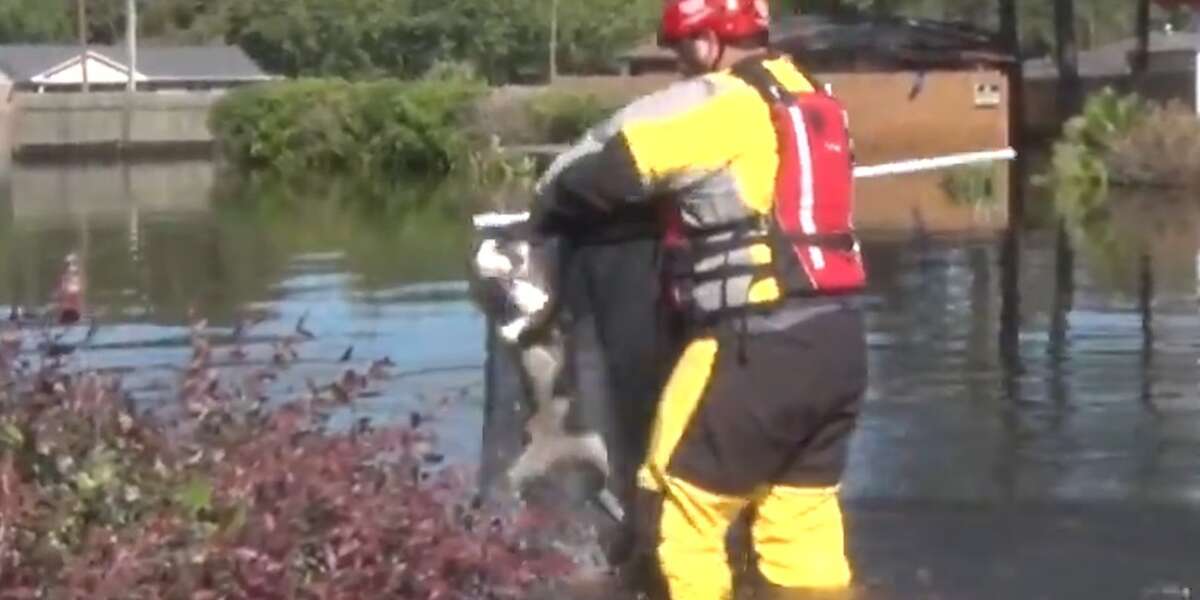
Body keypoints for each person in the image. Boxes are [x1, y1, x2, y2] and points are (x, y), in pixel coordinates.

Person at [527, 0, 869, 598]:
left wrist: (551, 200)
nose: (680, 62)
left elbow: (609, 172)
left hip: (754, 345)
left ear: (710, 41)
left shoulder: (724, 103)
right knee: (800, 530)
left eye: (683, 46)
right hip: (839, 347)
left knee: (675, 512)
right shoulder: (818, 101)